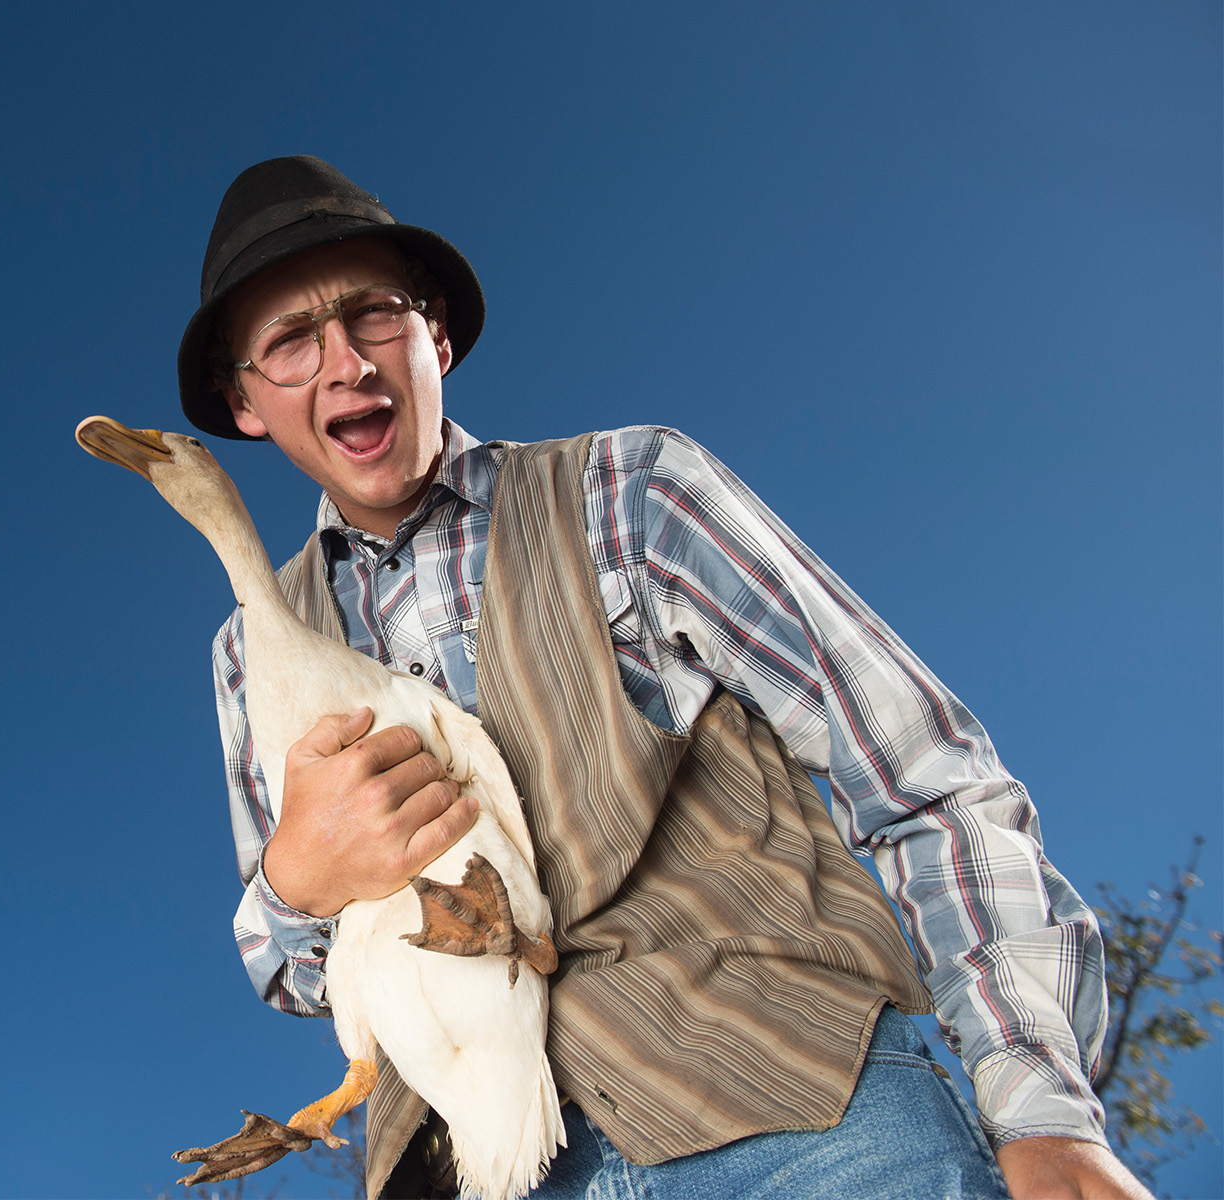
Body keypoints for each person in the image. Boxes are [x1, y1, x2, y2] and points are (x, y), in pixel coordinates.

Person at [176, 155, 1148, 1199]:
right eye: (289, 341)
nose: (346, 365)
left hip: (796, 1124)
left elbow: (917, 774)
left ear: (437, 336)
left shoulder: (629, 492)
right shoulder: (248, 654)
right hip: (474, 1166)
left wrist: (1042, 1108)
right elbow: (294, 966)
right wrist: (299, 883)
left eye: (375, 315)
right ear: (243, 404)